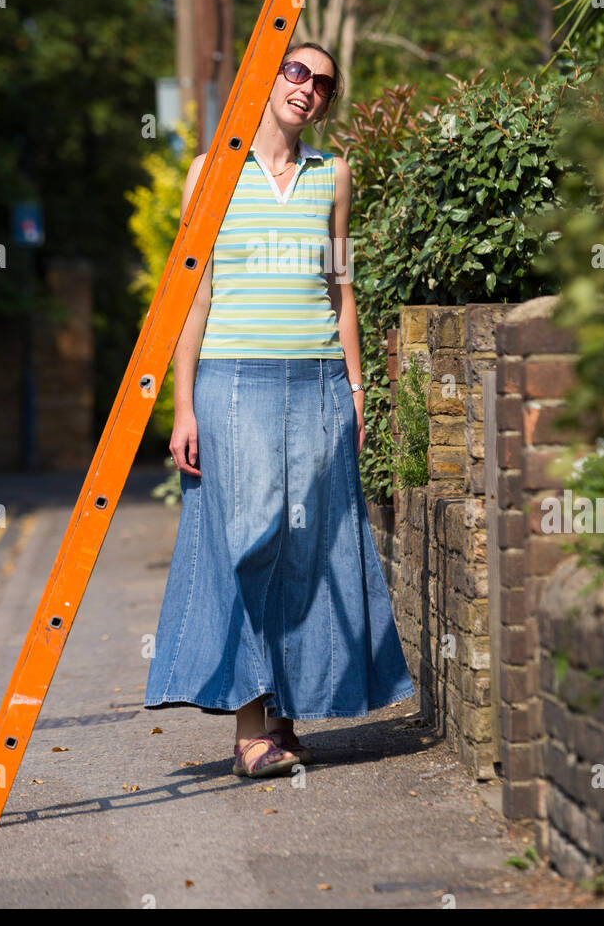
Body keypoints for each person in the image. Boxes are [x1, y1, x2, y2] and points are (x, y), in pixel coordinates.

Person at [143, 42, 415, 777]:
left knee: (310, 547)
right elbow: (191, 297)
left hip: (321, 381)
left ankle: (286, 719)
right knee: (250, 543)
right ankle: (249, 729)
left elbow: (341, 290)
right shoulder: (211, 173)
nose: (309, 89)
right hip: (234, 384)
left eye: (324, 83)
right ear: (267, 77)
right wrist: (183, 406)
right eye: (297, 72)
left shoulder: (334, 175)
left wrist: (357, 391)